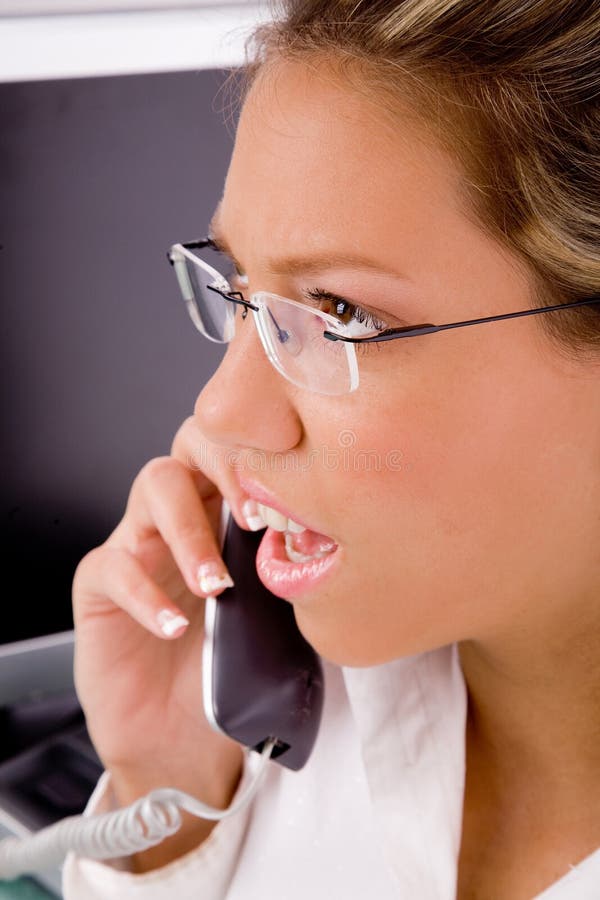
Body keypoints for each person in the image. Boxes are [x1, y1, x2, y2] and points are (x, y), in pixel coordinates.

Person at [62, 0, 600, 897]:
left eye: (341, 315)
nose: (220, 411)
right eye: (241, 292)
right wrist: (171, 800)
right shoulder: (281, 708)